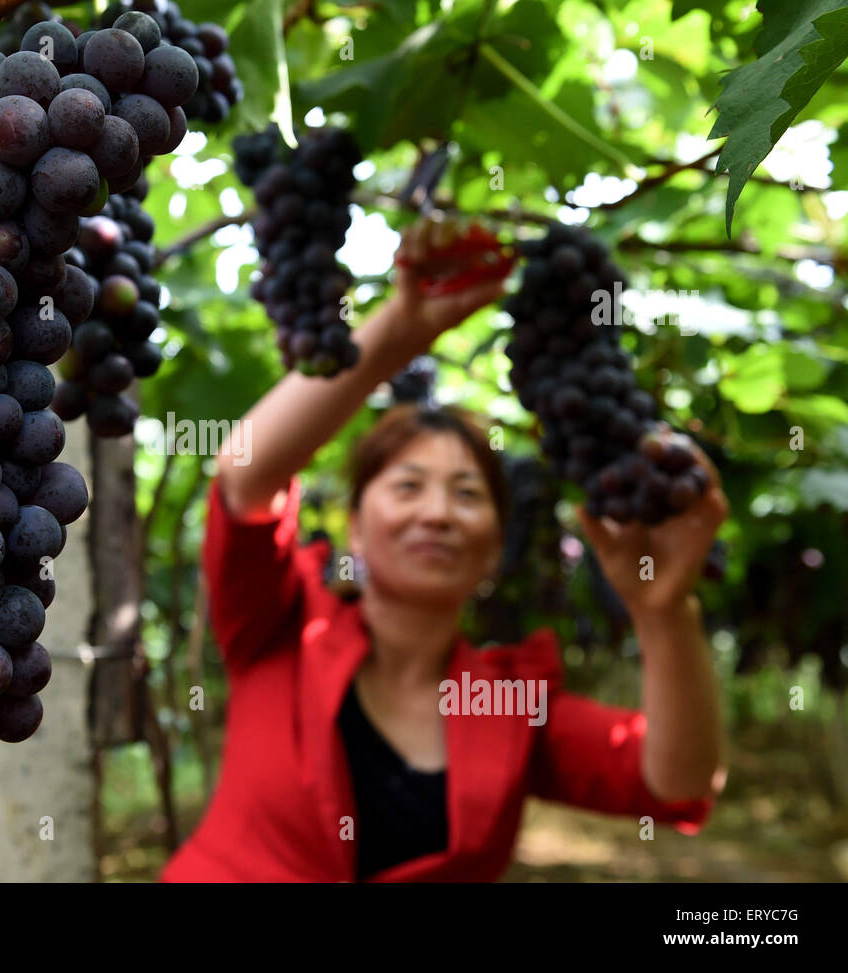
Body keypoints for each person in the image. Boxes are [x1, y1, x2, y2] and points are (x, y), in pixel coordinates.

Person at [159, 220, 729, 883]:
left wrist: (665, 613)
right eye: (407, 485)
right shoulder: (280, 625)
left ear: (496, 549)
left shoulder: (512, 702)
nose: (436, 512)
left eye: (466, 493)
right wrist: (403, 325)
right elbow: (245, 472)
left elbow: (675, 783)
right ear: (356, 528)